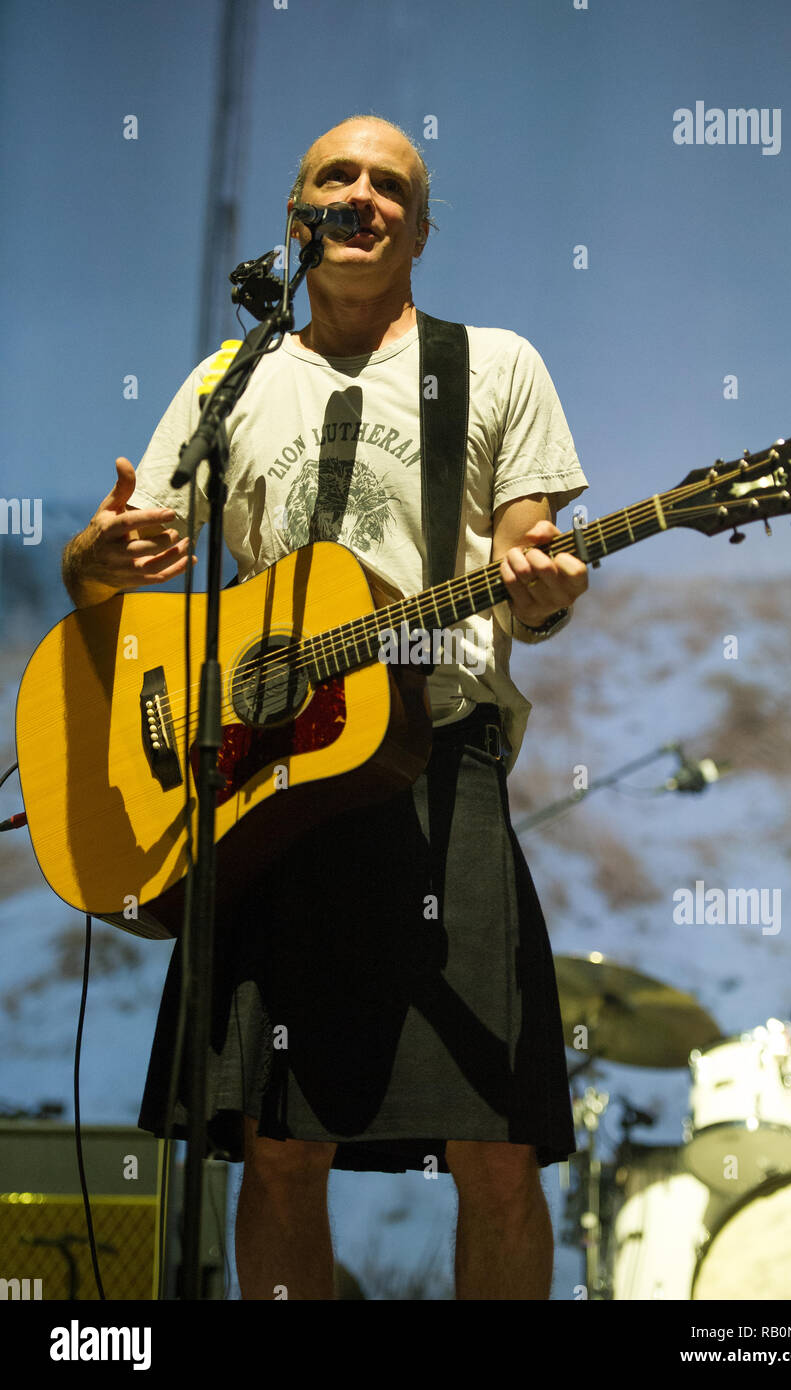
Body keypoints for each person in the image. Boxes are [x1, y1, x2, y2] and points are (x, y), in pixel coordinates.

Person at [61, 114, 589, 1300]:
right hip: (259, 784)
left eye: (390, 182)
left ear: (420, 223)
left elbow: (531, 576)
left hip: (435, 763)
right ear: (299, 210)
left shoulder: (493, 365)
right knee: (279, 1145)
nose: (363, 194)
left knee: (499, 1147)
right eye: (336, 177)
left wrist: (549, 591)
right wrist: (91, 563)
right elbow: (120, 583)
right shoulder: (228, 377)